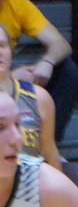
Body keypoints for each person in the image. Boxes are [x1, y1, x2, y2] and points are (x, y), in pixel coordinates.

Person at [0, 0, 78, 140]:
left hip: (6, 70)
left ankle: (47, 143)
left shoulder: (16, 2)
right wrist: (10, 78)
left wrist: (47, 62)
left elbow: (61, 44)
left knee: (66, 70)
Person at [0, 29, 61, 167]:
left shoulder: (39, 98)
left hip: (29, 184)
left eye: (2, 46)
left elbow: (49, 153)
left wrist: (59, 185)